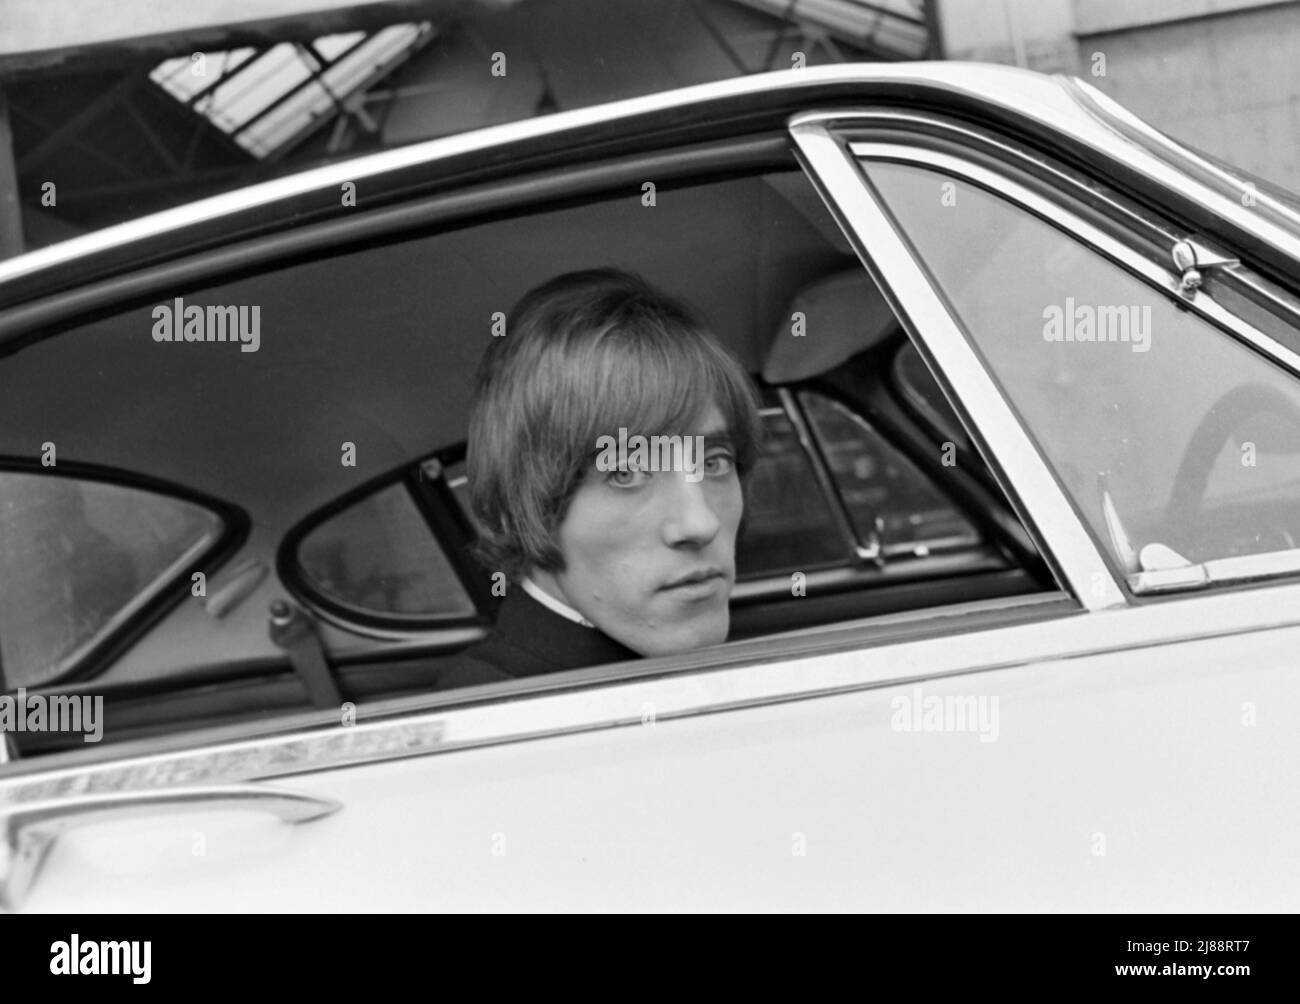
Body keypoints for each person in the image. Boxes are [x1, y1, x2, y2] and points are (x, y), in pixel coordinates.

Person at [436, 268, 762, 687]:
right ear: (525, 504)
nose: (700, 523)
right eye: (627, 472)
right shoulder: (497, 726)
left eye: (713, 462)